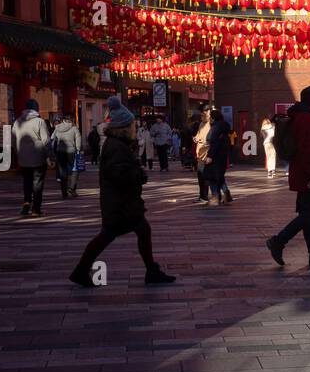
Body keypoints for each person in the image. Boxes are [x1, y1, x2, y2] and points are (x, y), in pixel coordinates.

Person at [69, 96, 175, 287]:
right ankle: (81, 270)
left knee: (133, 232)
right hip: (121, 204)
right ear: (124, 127)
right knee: (112, 235)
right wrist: (139, 175)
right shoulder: (117, 147)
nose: (134, 128)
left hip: (120, 203)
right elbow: (119, 174)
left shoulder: (117, 144)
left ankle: (151, 270)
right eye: (132, 125)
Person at [266, 86, 310, 268]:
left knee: (309, 215)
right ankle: (278, 241)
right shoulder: (305, 119)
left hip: (304, 173)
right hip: (307, 175)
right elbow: (307, 149)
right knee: (308, 215)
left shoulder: (301, 116)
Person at [12, 97, 50, 218]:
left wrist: (18, 153)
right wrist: (50, 156)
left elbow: (13, 141)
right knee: (37, 183)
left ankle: (26, 205)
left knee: (27, 182)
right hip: (38, 157)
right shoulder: (40, 122)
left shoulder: (17, 121)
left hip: (23, 158)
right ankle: (36, 209)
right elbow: (46, 141)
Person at [51, 111, 82, 199]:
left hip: (60, 151)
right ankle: (72, 188)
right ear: (71, 119)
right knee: (74, 169)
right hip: (71, 151)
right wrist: (78, 150)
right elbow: (78, 140)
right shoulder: (74, 128)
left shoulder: (57, 127)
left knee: (62, 172)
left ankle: (64, 192)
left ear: (63, 120)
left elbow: (52, 138)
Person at [205, 109, 232, 204]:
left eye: (209, 116)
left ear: (213, 118)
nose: (208, 118)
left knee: (212, 177)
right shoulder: (224, 127)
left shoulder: (216, 127)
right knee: (219, 176)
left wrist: (210, 156)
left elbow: (214, 143)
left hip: (215, 156)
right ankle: (226, 193)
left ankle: (215, 198)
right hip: (223, 155)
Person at [194, 105, 212, 202]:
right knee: (200, 176)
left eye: (205, 112)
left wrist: (205, 141)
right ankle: (202, 196)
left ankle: (206, 196)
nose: (202, 114)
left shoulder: (211, 124)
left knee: (206, 176)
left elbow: (210, 139)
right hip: (200, 153)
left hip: (207, 154)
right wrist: (196, 138)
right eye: (202, 113)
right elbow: (198, 134)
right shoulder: (201, 124)